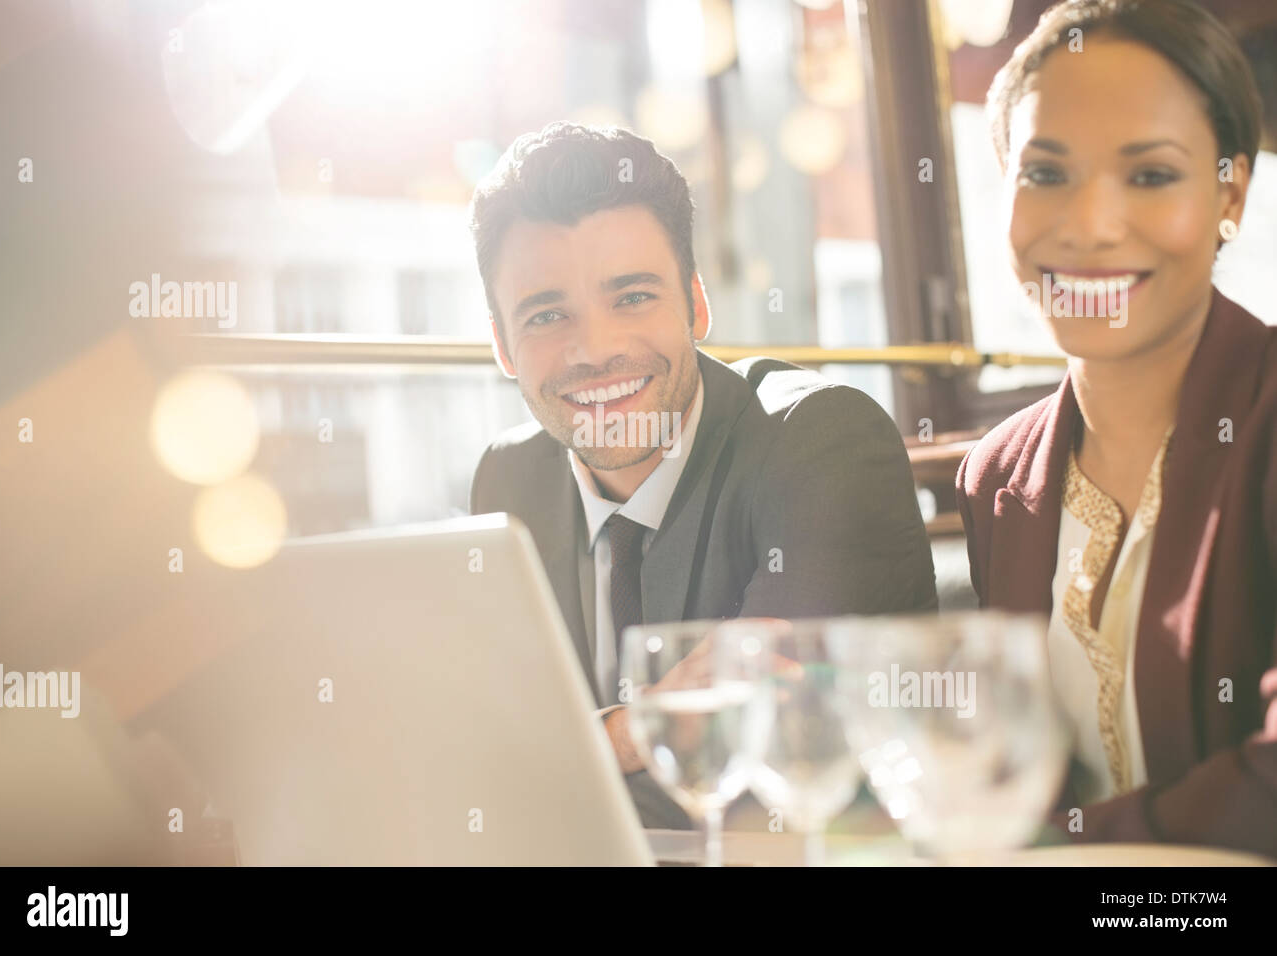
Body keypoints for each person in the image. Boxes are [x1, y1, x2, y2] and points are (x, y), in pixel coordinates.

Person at [469, 122, 937, 828]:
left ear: (696, 304)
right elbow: (483, 745)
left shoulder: (822, 443)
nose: (594, 350)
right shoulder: (510, 481)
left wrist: (564, 749)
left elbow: (752, 759)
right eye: (546, 314)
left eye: (631, 297)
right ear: (503, 344)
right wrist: (641, 726)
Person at [958, 0, 1277, 857]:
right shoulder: (997, 476)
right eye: (1046, 174)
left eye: (1149, 176)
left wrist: (1058, 853)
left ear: (1230, 195)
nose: (1090, 226)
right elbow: (1012, 770)